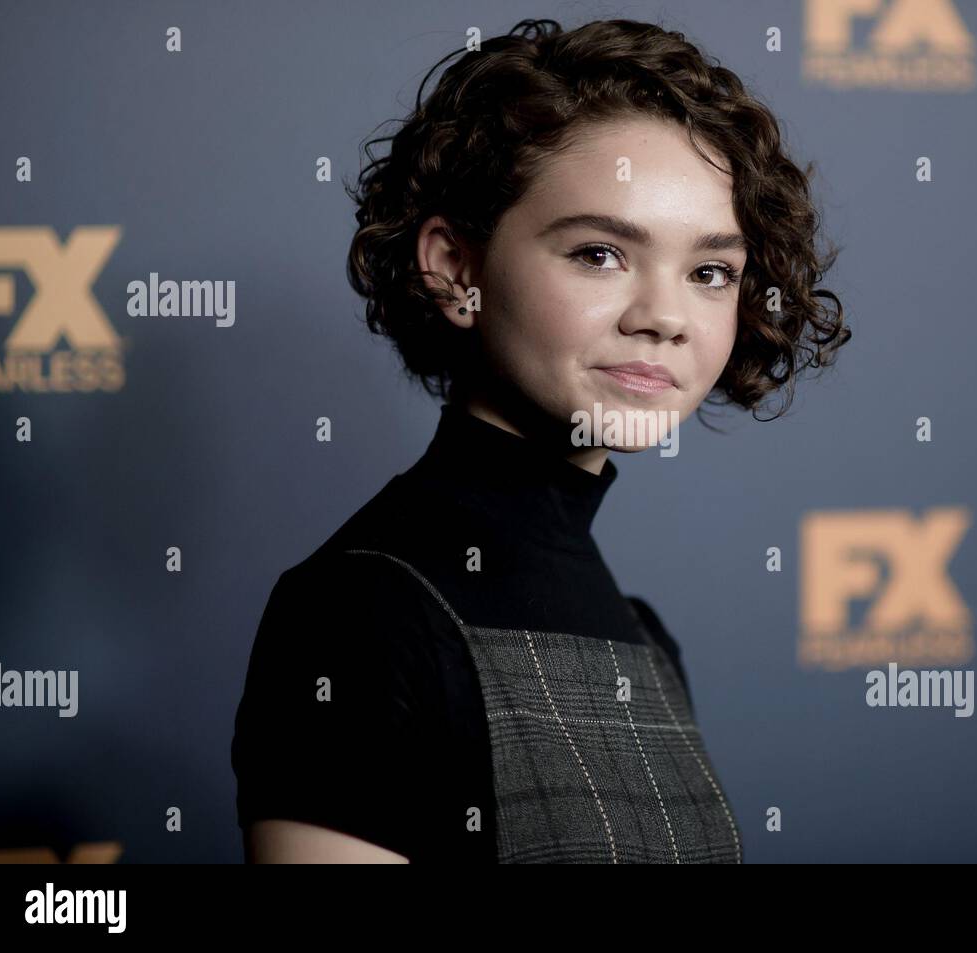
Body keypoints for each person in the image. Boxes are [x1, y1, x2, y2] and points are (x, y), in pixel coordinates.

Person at [231, 16, 848, 864]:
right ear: (455, 266)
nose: (664, 317)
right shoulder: (358, 615)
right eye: (599, 253)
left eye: (710, 272)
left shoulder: (645, 640)